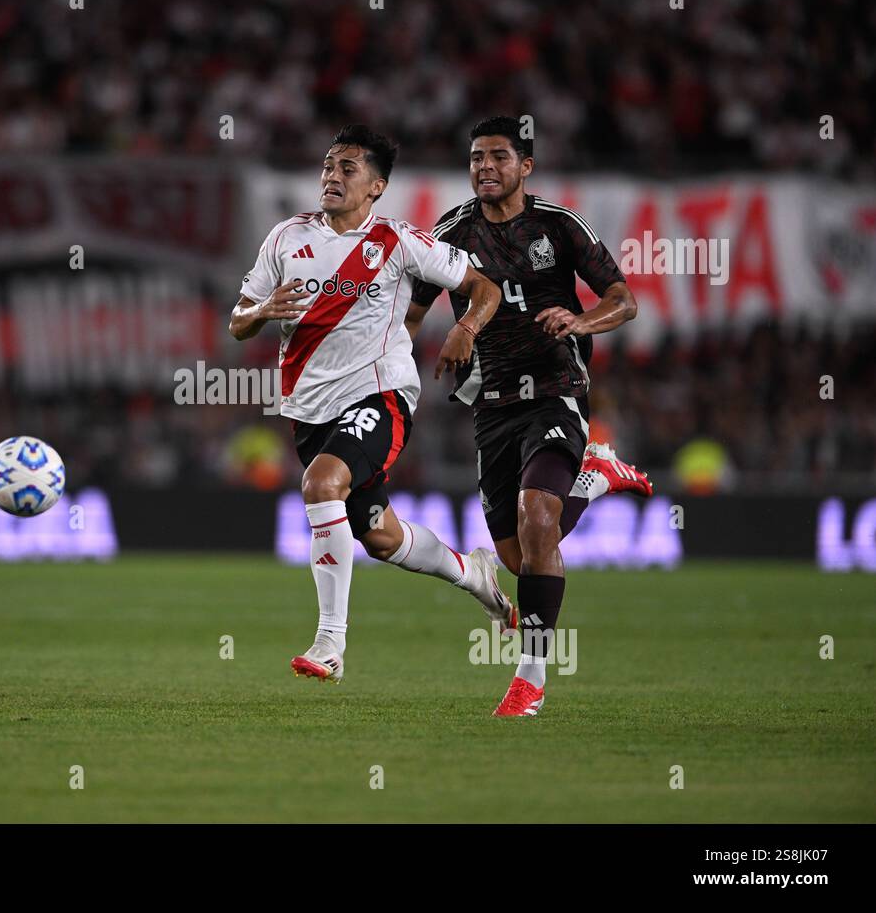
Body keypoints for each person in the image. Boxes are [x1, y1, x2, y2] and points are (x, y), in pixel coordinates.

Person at [229, 124, 507, 683]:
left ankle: (330, 643)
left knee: (321, 484)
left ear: (377, 185)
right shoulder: (286, 238)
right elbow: (238, 320)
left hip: (380, 394)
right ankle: (472, 573)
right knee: (379, 535)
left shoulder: (399, 243)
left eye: (347, 168)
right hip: (309, 408)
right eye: (328, 166)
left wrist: (467, 329)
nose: (331, 176)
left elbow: (485, 288)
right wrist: (260, 314)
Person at [406, 116, 652, 717]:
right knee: (518, 559)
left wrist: (578, 321)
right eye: (475, 158)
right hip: (491, 404)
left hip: (555, 386)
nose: (484, 167)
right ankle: (595, 478)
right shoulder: (450, 234)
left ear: (526, 167)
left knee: (539, 520)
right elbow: (410, 313)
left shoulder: (558, 226)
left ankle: (530, 678)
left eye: (498, 156)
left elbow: (623, 301)